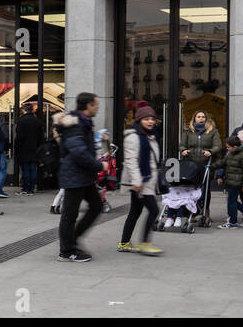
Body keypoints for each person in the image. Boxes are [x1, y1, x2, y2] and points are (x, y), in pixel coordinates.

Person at [56, 92, 105, 262]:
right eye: (96, 105)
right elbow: (78, 152)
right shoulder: (75, 125)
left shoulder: (84, 122)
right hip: (74, 174)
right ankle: (67, 250)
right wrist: (99, 165)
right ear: (88, 106)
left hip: (82, 174)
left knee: (96, 206)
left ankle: (72, 240)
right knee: (70, 213)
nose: (98, 108)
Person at [117, 103, 164, 255]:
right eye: (146, 119)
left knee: (135, 212)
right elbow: (131, 161)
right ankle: (144, 243)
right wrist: (137, 181)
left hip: (148, 179)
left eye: (152, 119)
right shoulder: (133, 137)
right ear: (139, 120)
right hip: (141, 182)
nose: (150, 122)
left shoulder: (150, 136)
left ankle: (124, 243)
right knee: (153, 210)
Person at [173, 110, 221, 225]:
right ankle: (192, 212)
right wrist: (183, 150)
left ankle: (206, 211)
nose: (201, 119)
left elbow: (218, 146)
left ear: (206, 119)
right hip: (191, 165)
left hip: (206, 165)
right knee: (191, 189)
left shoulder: (213, 131)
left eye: (203, 117)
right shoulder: (188, 131)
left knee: (205, 190)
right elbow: (182, 145)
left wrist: (211, 151)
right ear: (194, 118)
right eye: (198, 117)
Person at [215, 135, 243, 229]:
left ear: (235, 147)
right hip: (232, 180)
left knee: (231, 202)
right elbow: (223, 162)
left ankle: (233, 222)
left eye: (228, 147)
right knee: (233, 201)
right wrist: (211, 166)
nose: (227, 149)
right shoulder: (231, 153)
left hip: (237, 182)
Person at [14, 102, 46, 195]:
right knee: (33, 168)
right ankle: (32, 188)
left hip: (24, 148)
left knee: (25, 169)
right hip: (35, 148)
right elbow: (41, 137)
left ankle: (25, 188)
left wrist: (16, 147)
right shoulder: (38, 121)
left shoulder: (21, 121)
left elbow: (19, 137)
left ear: (24, 110)